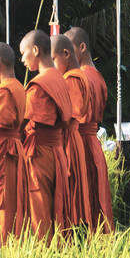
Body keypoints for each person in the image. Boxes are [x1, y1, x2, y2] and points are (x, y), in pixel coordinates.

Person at [19, 29, 72, 242]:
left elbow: (21, 122)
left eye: (23, 53)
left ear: (35, 50)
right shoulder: (60, 78)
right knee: (55, 204)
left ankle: (44, 253)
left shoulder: (40, 84)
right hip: (57, 150)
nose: (22, 59)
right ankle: (58, 249)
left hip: (40, 151)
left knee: (39, 205)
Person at [65, 26, 115, 232]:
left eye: (68, 50)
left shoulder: (78, 77)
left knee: (81, 197)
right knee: (96, 195)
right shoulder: (98, 76)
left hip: (78, 142)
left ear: (82, 47)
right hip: (92, 141)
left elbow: (71, 115)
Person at [0, 41, 29, 244]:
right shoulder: (18, 87)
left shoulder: (4, 92)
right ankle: (11, 248)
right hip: (12, 150)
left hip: (1, 153)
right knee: (12, 203)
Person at [51, 34, 92, 231]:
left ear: (66, 54)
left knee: (72, 186)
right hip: (69, 137)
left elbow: (72, 112)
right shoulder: (74, 76)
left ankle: (74, 231)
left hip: (69, 138)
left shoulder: (72, 78)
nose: (50, 66)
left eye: (52, 60)